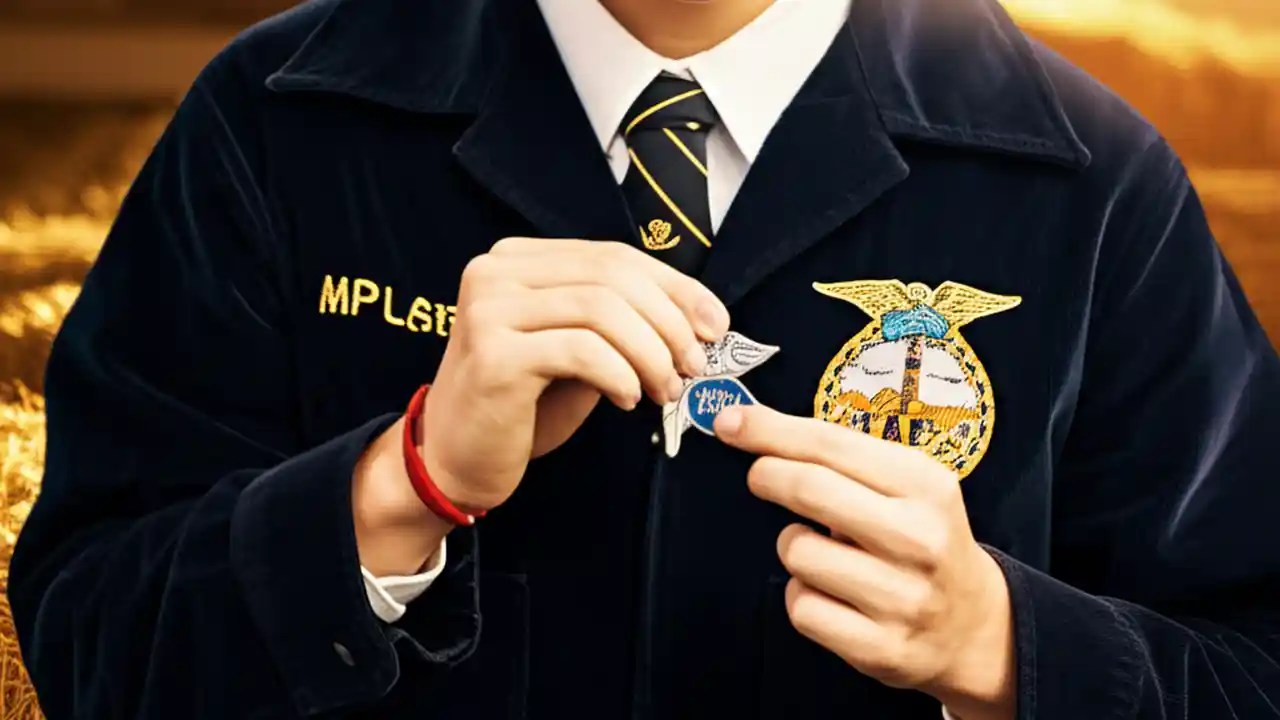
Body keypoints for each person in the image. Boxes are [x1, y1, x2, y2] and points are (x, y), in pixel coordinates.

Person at [10, 0, 1280, 717]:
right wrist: (397, 489)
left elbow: (1250, 666)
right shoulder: (277, 120)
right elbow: (89, 642)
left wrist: (1005, 645)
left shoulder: (1092, 181)